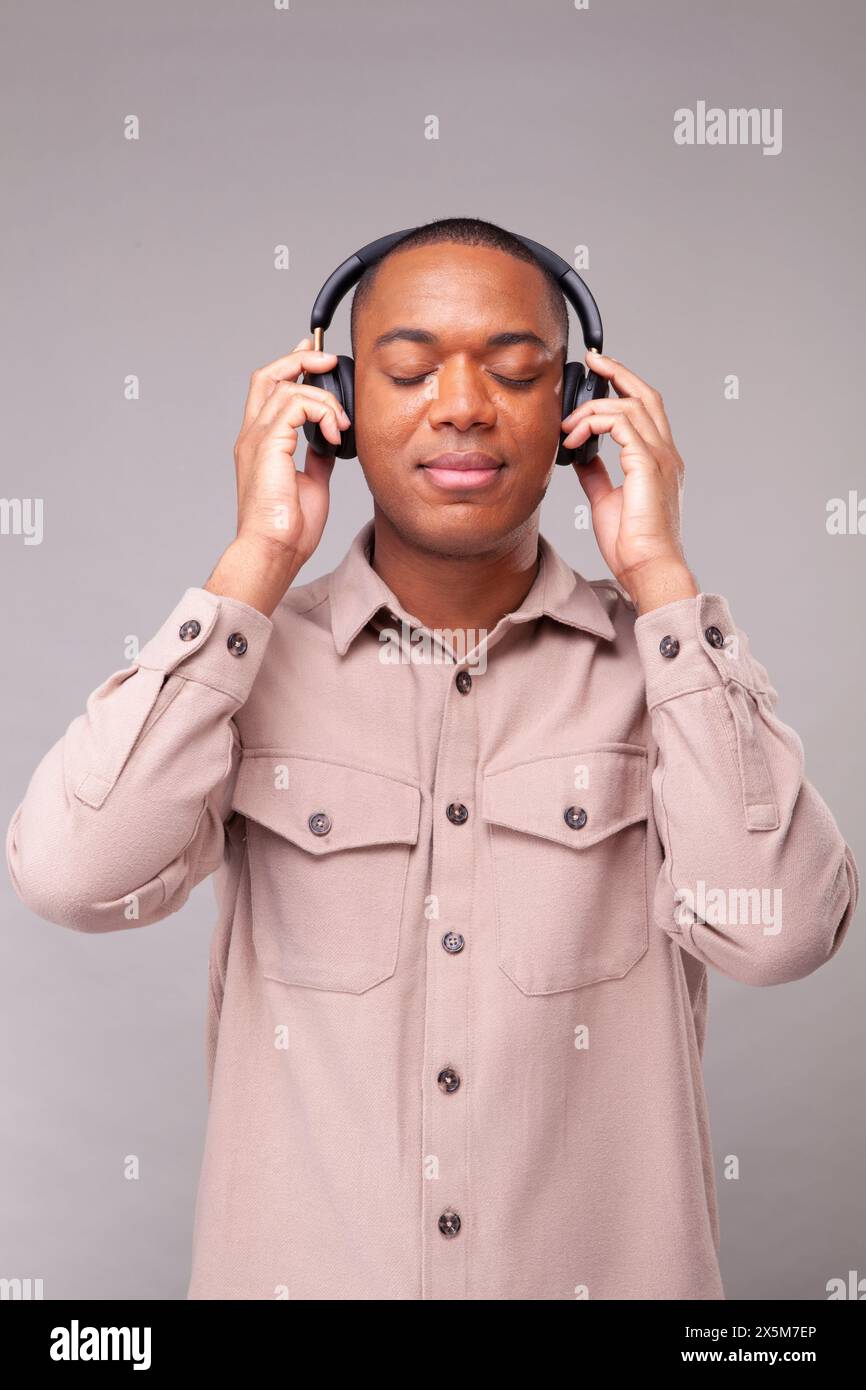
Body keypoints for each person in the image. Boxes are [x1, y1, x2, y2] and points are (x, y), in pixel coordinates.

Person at [6, 217, 858, 1301]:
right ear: (342, 407)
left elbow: (780, 933)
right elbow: (73, 877)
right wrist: (253, 560)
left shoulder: (668, 673)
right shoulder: (245, 666)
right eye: (410, 370)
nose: (461, 404)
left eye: (513, 370)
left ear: (575, 409)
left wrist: (658, 574)